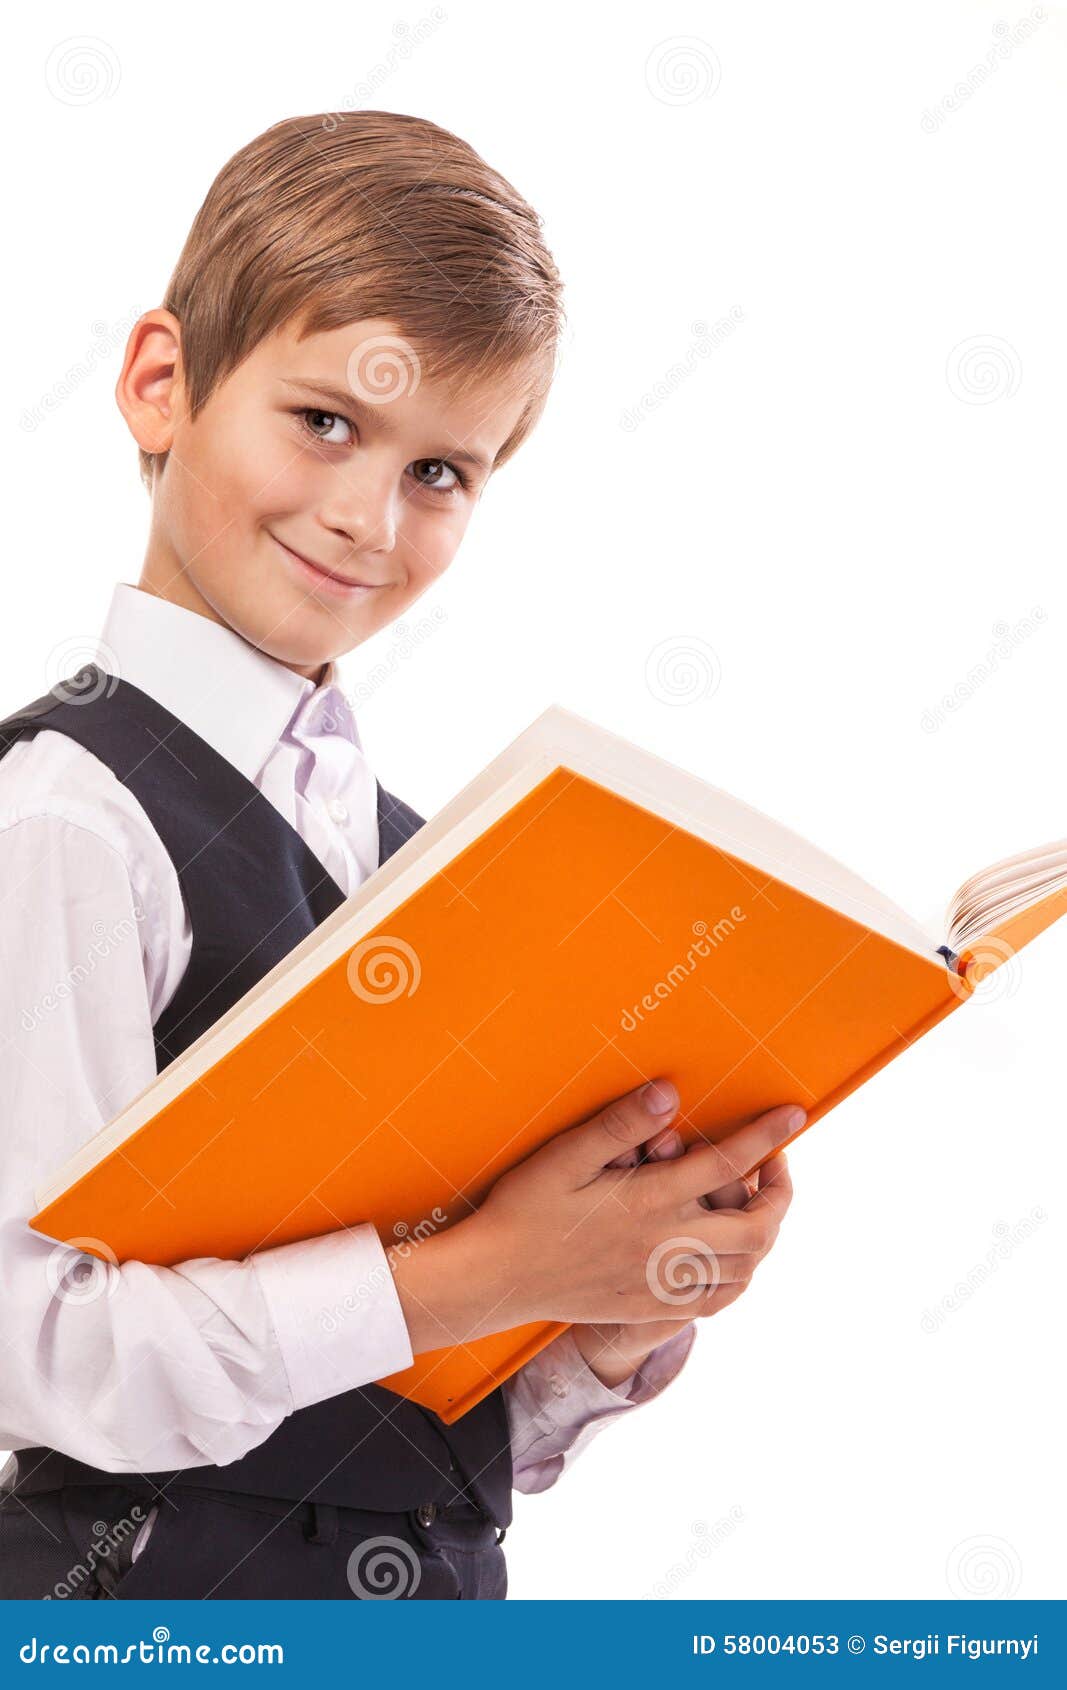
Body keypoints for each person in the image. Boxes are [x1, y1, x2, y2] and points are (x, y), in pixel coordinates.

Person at [0, 111, 801, 1600]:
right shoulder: (66, 810)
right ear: (160, 382)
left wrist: (602, 1306)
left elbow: (407, 1396)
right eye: (324, 421)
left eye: (444, 471)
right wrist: (491, 1270)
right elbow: (40, 1351)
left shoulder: (416, 856)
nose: (369, 515)